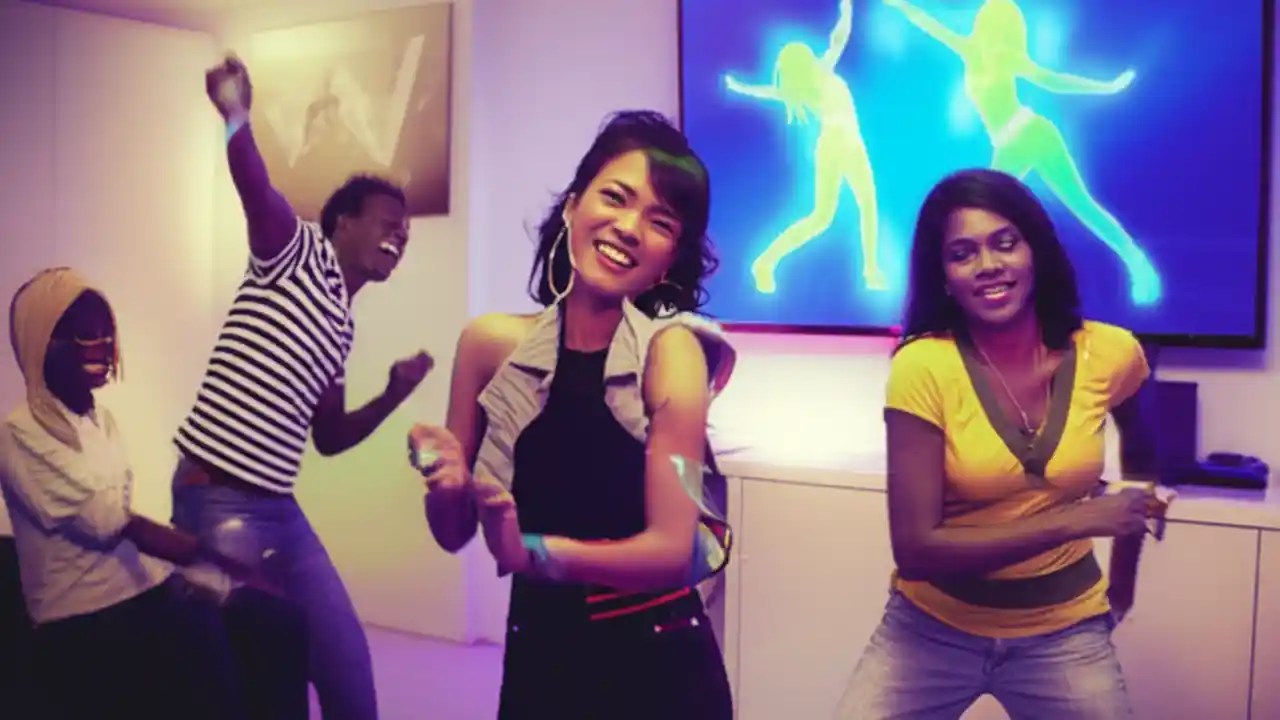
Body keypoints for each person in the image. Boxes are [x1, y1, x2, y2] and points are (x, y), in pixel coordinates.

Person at [411, 110, 736, 719]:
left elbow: (671, 551)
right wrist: (444, 482)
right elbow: (452, 532)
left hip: (656, 668)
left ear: (670, 259)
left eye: (660, 221)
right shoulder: (490, 346)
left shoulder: (672, 355)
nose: (629, 227)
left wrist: (531, 551)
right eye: (615, 197)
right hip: (540, 660)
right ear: (571, 206)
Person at [835, 169, 1166, 719]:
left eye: (1005, 243)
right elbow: (915, 551)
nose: (988, 265)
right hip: (930, 630)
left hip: (1066, 633)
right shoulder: (923, 365)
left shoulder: (1111, 352)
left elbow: (1143, 455)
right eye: (962, 253)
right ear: (943, 276)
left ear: (1036, 251)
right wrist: (1077, 520)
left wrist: (1123, 585)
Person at [170, 55, 433, 720]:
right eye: (388, 223)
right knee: (259, 681)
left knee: (347, 666)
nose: (399, 237)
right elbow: (255, 186)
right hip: (217, 498)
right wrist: (236, 114)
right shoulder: (294, 252)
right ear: (343, 222)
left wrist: (394, 393)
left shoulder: (341, 322)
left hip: (279, 508)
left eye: (405, 233)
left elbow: (329, 436)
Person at [0, 268, 257, 719]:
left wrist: (196, 573)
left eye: (107, 332)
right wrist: (208, 556)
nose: (102, 346)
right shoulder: (19, 432)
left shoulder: (102, 421)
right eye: (85, 333)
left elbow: (123, 523)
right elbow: (111, 523)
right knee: (203, 639)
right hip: (81, 616)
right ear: (41, 342)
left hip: (137, 591)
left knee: (271, 625)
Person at [882, 0, 1162, 306]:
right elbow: (930, 24)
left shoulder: (1005, 56)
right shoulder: (970, 49)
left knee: (1069, 206)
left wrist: (1107, 88)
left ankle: (1137, 263)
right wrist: (900, 5)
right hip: (1013, 141)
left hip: (1029, 134)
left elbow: (1052, 80)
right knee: (984, 216)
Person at [724, 0, 887, 294]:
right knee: (841, 213)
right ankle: (767, 262)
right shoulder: (818, 75)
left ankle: (869, 270)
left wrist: (741, 87)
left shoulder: (810, 81)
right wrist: (847, 11)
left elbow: (838, 38)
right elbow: (839, 37)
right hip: (839, 144)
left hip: (847, 145)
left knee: (837, 214)